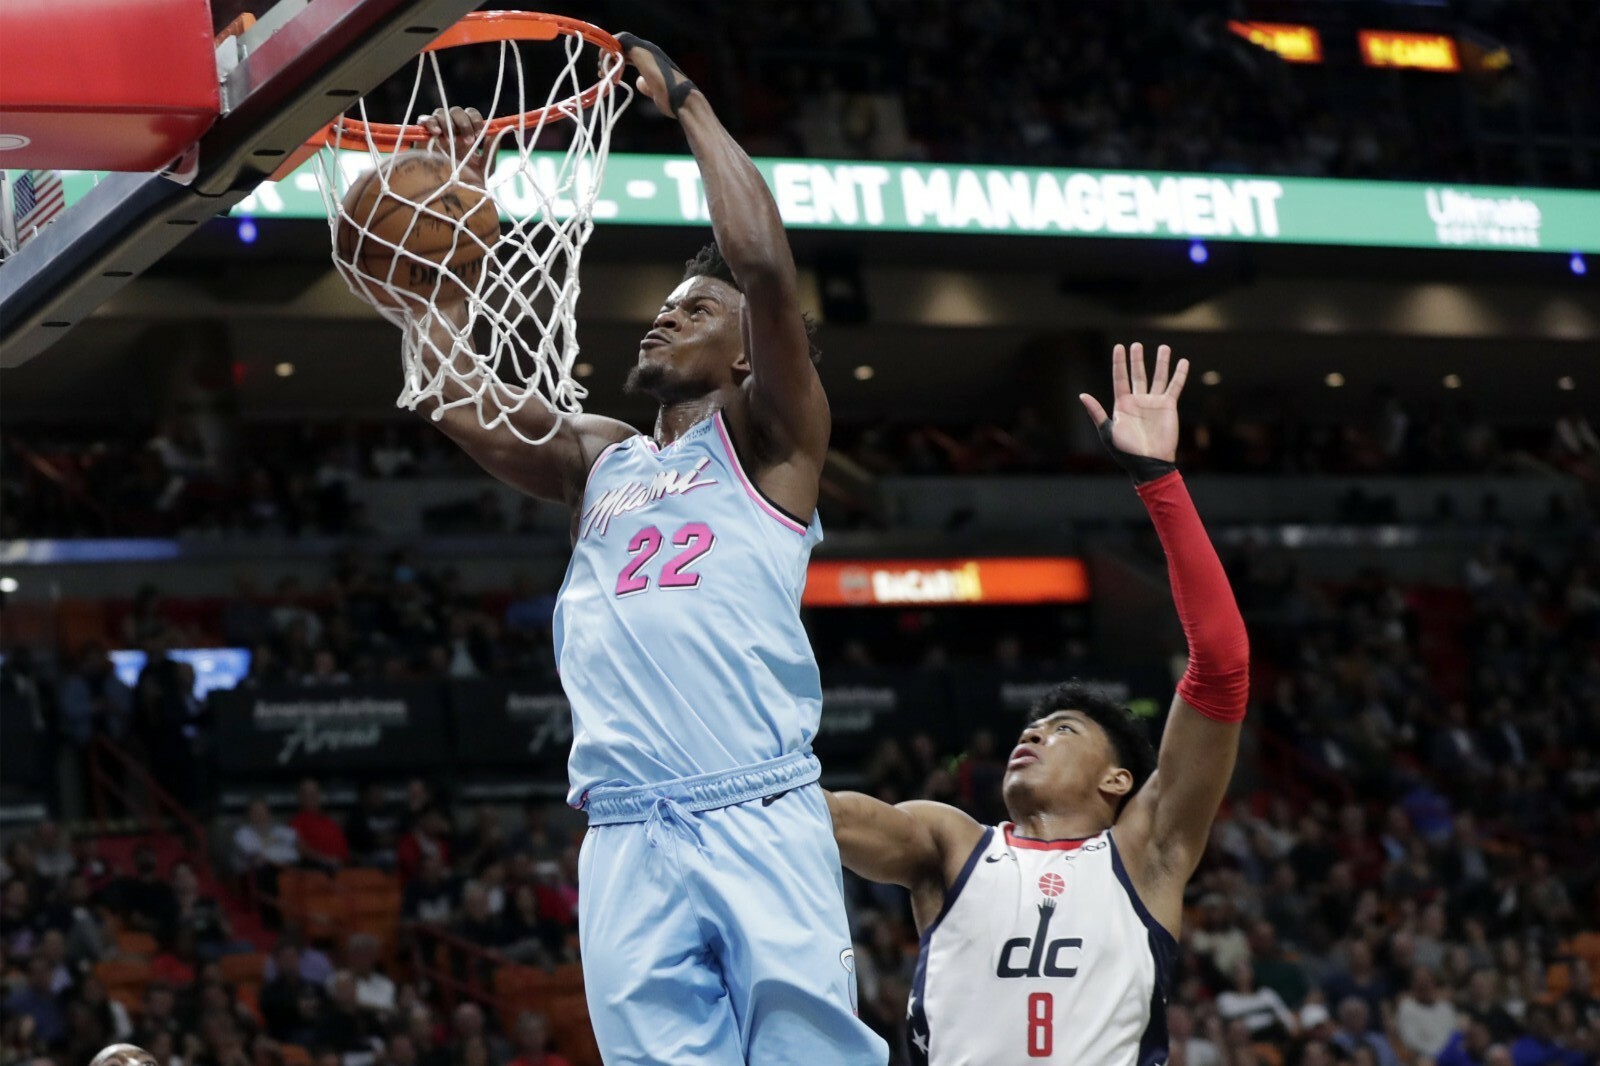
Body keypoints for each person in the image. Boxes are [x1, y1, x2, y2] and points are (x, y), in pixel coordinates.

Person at [392, 32, 883, 1065]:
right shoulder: (598, 457)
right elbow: (453, 392)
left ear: (749, 349)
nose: (664, 317)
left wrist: (690, 103)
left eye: (694, 310)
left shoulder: (773, 440)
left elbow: (760, 263)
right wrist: (447, 226)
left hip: (755, 807)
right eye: (662, 306)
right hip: (622, 832)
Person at [827, 345, 1250, 1063]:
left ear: (1118, 780)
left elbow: (1222, 665)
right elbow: (823, 819)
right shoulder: (951, 843)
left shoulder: (1147, 854)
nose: (1032, 734)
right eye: (1033, 724)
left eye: (1062, 728)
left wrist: (1159, 481)